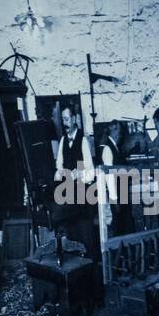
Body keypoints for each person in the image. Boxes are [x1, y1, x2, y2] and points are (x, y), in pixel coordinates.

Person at [54, 105, 98, 257]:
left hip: (84, 197)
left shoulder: (84, 140)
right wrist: (61, 173)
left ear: (74, 119)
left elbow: (91, 172)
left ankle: (91, 265)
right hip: (69, 197)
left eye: (67, 119)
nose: (64, 123)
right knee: (72, 237)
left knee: (86, 237)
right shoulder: (62, 141)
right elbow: (59, 166)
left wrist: (78, 174)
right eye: (63, 119)